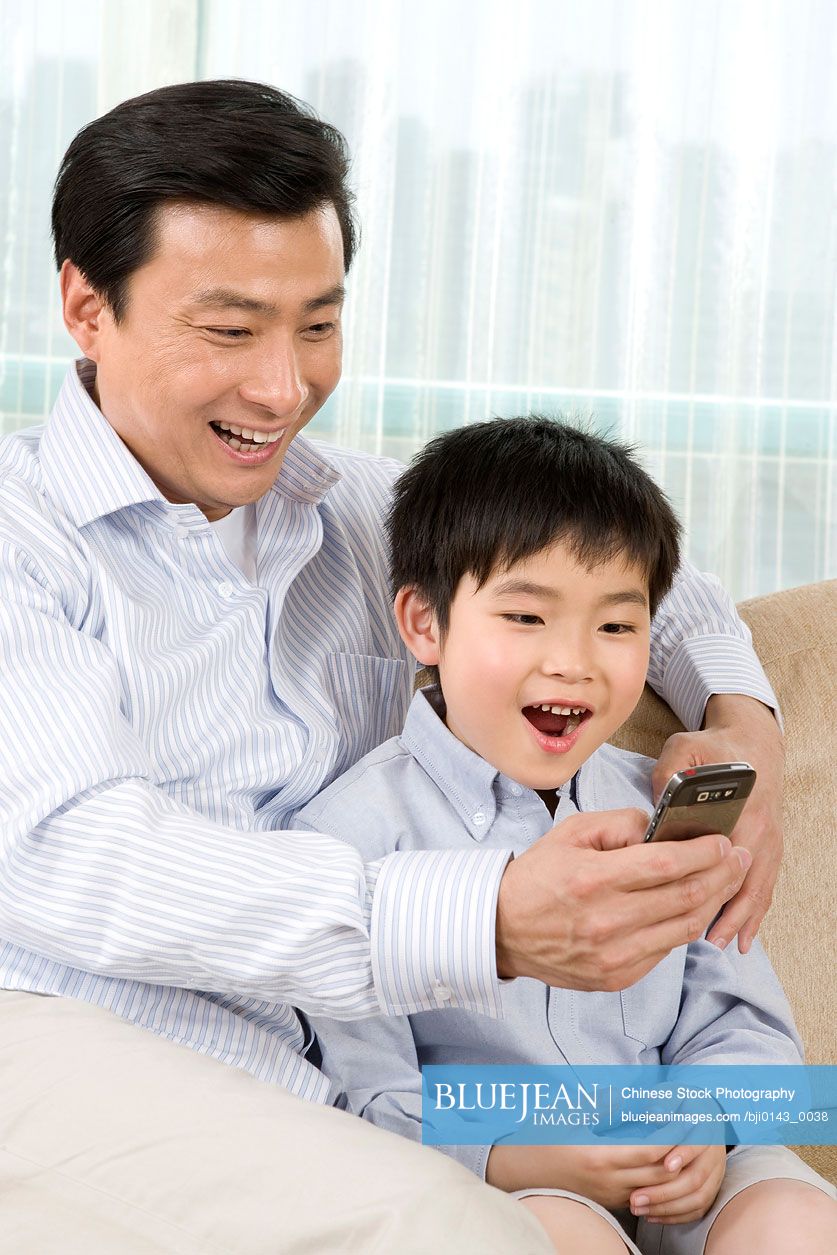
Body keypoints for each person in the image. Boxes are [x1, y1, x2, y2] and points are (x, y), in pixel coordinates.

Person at [0, 79, 784, 1252]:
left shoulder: (359, 509)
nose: (284, 389)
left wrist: (748, 725)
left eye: (317, 327)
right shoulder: (21, 539)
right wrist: (488, 919)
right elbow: (85, 859)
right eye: (230, 330)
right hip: (86, 1034)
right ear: (85, 306)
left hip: (329, 1080)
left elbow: (649, 586)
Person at [297, 416, 837, 1255]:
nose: (573, 661)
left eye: (615, 627)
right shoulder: (347, 839)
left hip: (690, 1165)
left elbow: (745, 1027)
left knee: (795, 1221)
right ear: (424, 622)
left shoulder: (670, 807)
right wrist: (530, 1156)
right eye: (525, 616)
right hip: (502, 1177)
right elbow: (360, 1095)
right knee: (555, 1236)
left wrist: (704, 1120)